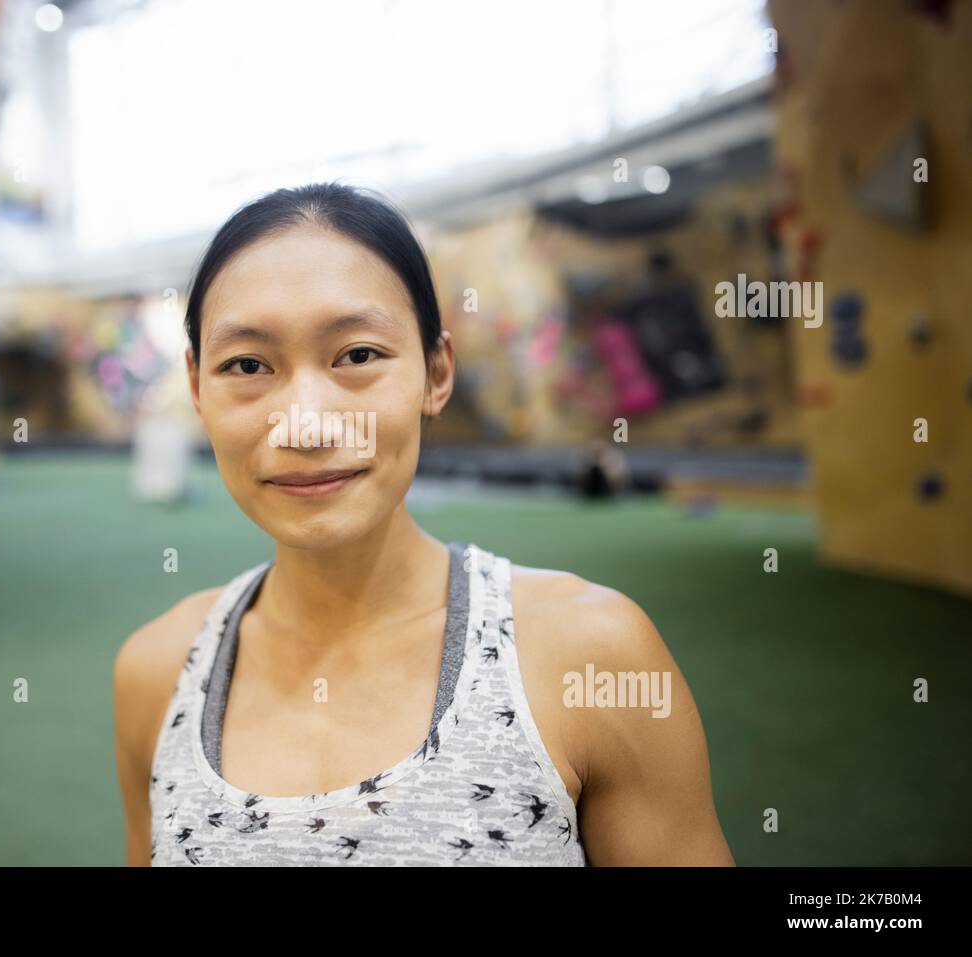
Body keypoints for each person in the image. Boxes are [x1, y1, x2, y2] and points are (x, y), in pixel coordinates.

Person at [113, 182, 733, 866]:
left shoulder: (588, 653)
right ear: (198, 387)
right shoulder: (158, 671)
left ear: (437, 372)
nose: (307, 422)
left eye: (357, 355)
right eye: (248, 365)